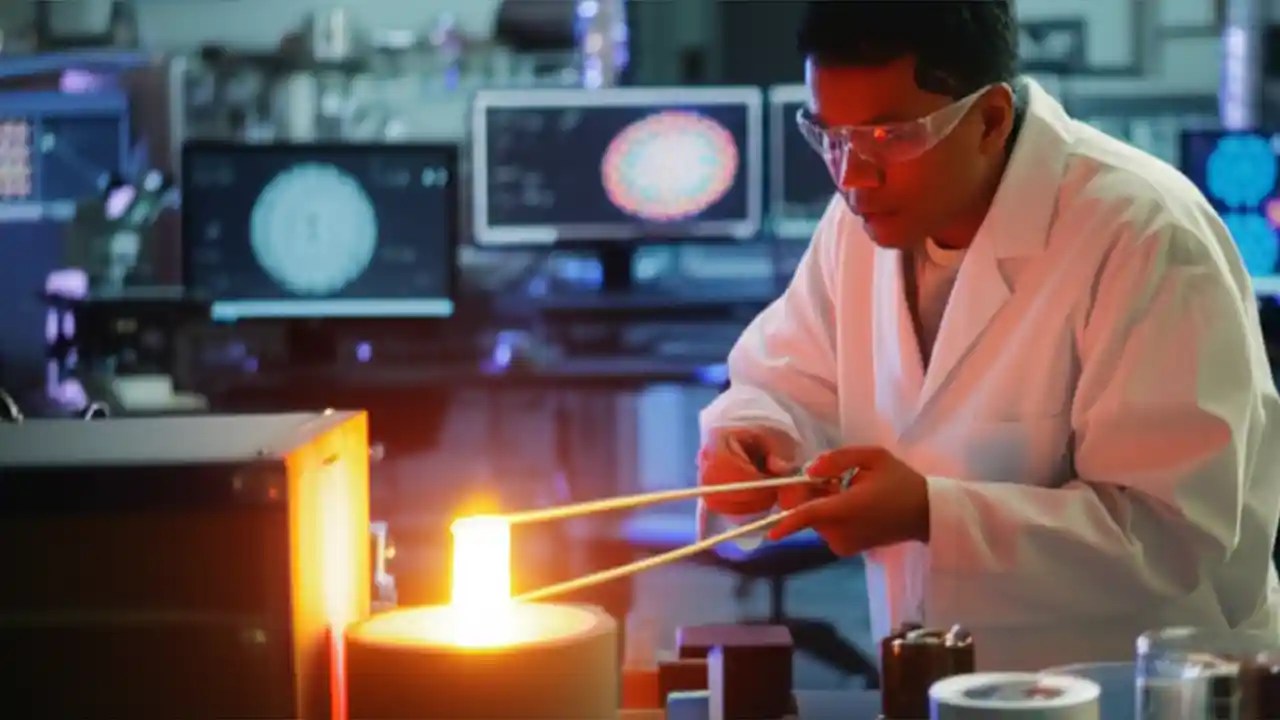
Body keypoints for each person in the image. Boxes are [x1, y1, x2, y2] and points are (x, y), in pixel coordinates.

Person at [697, 0, 1280, 670]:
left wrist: (931, 516)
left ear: (991, 119)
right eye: (832, 137)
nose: (852, 176)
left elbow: (1174, 541)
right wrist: (755, 434)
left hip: (1134, 685)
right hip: (938, 677)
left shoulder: (1144, 237)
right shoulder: (860, 218)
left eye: (888, 138)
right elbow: (790, 378)